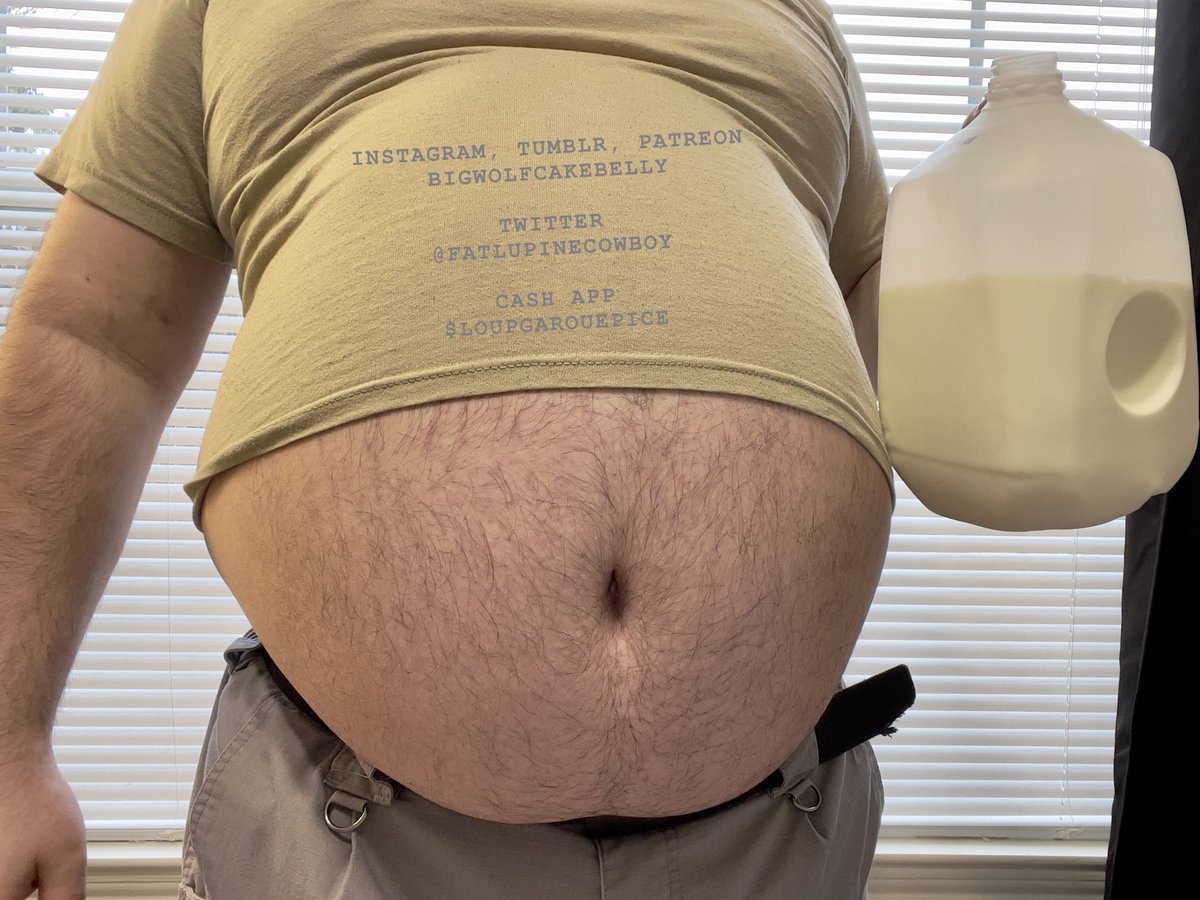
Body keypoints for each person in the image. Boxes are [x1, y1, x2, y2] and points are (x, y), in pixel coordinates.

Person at [0, 1, 996, 897]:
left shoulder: (797, 14)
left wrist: (995, 228)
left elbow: (886, 340)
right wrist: (7, 746)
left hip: (770, 830)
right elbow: (92, 344)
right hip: (352, 825)